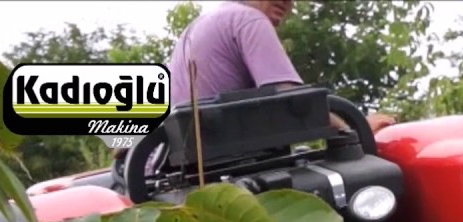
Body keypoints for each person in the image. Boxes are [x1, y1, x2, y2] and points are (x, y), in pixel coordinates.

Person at [165, 0, 395, 133]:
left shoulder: (200, 26)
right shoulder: (249, 19)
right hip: (218, 177)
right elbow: (292, 102)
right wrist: (356, 130)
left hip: (170, 174)